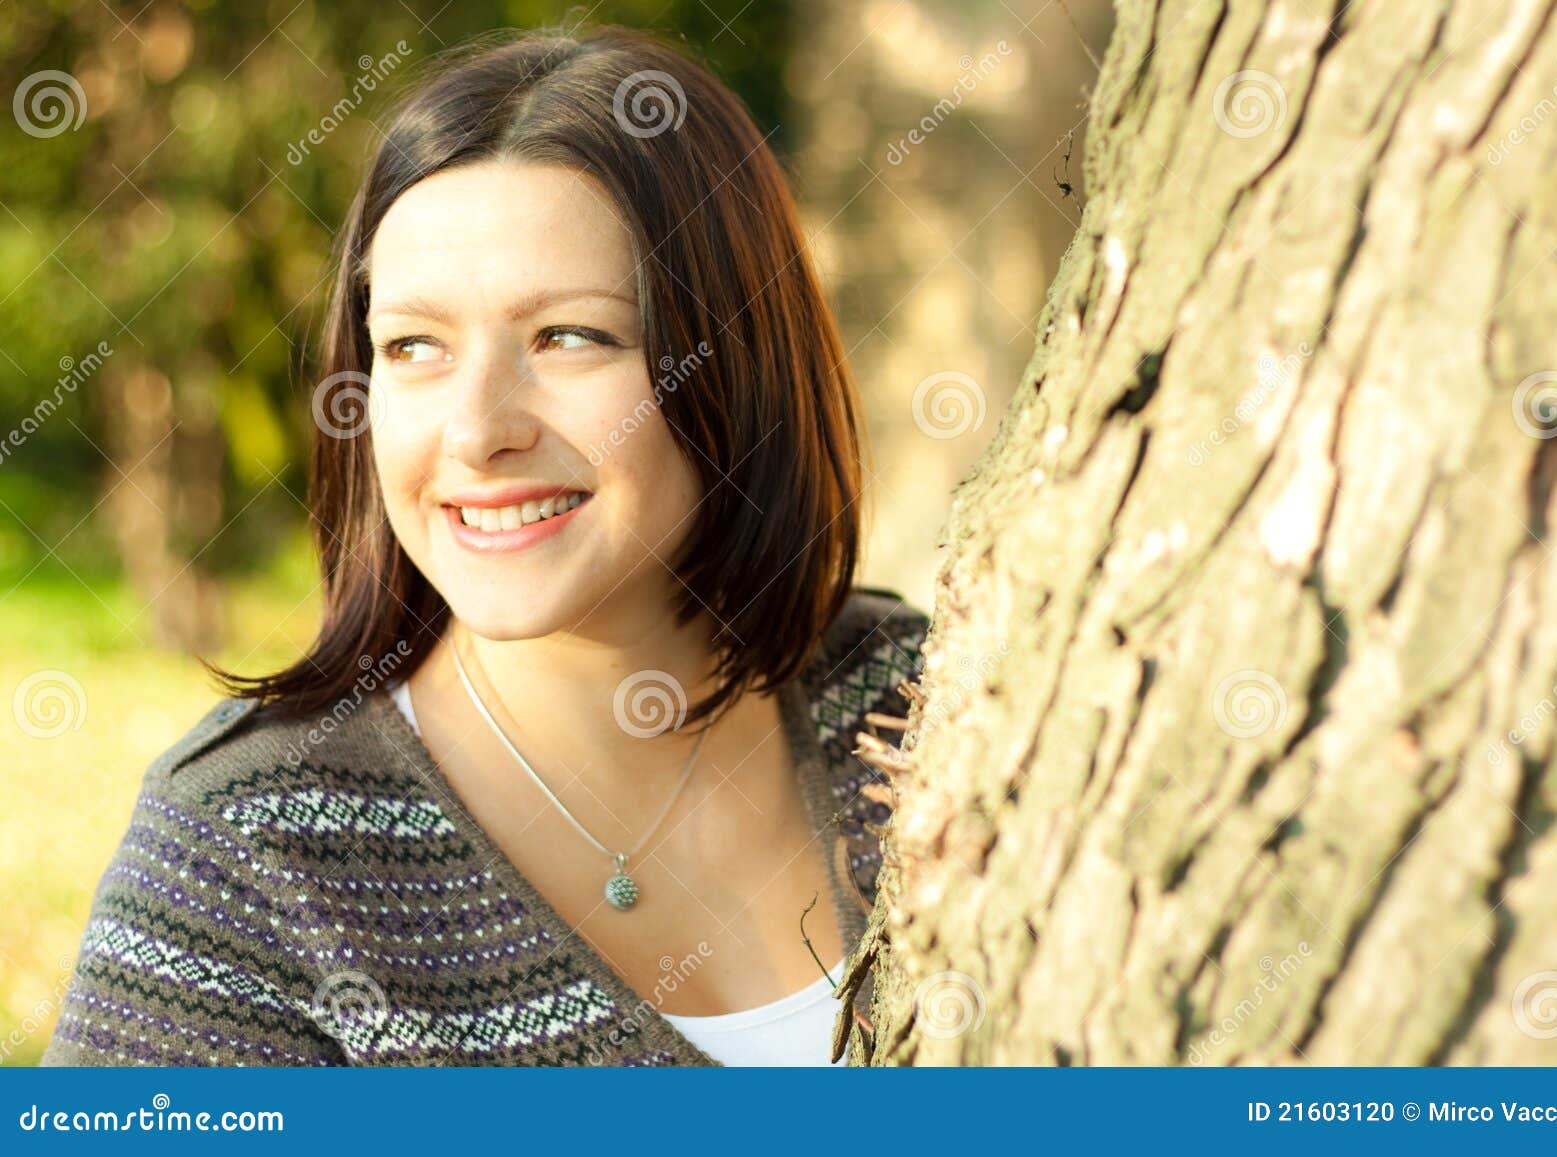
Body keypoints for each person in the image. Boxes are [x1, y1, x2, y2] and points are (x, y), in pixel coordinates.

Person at [42, 24, 926, 1067]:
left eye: (569, 336)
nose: (474, 431)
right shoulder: (243, 851)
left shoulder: (935, 699)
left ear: (736, 359)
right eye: (413, 346)